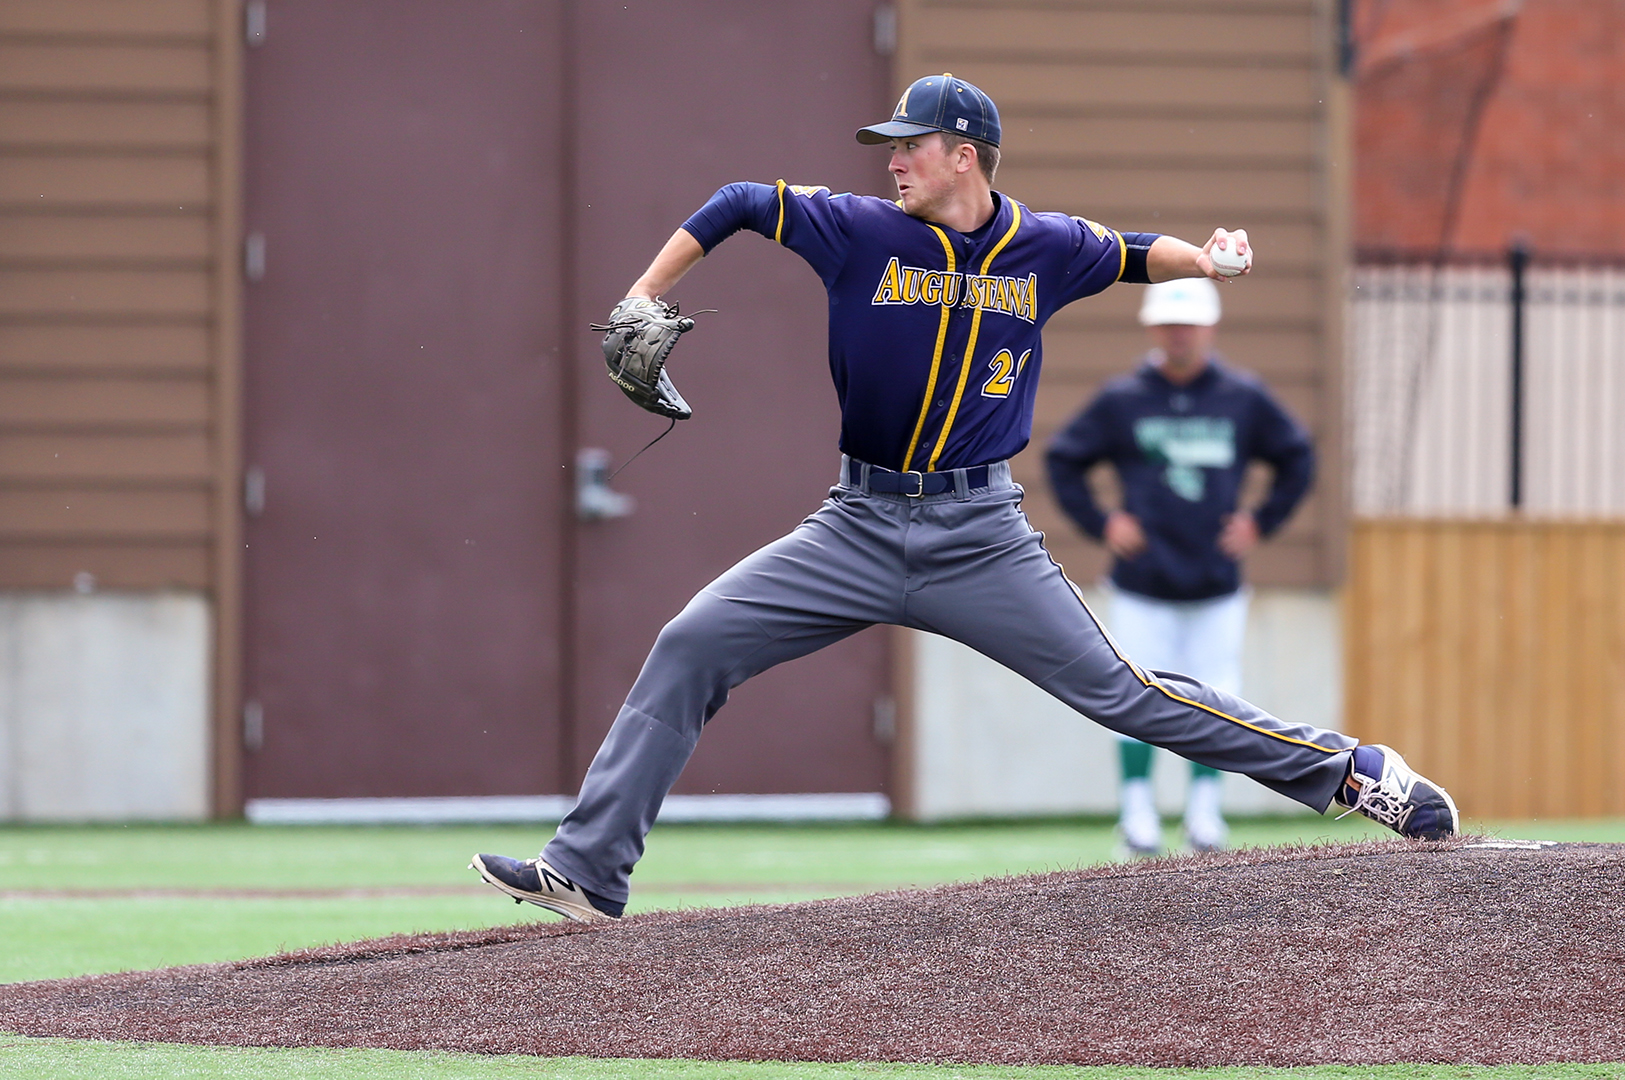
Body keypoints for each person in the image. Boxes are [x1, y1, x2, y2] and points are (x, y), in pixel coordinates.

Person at [472, 74, 1457, 923]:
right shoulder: (856, 230)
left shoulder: (1044, 246)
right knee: (692, 643)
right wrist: (646, 292)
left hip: (979, 535)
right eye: (891, 147)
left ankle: (1357, 774)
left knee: (1125, 692)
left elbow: (1127, 251)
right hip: (855, 525)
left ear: (965, 156)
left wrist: (1206, 262)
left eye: (910, 147)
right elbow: (737, 201)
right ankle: (590, 873)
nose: (892, 162)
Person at [1046, 278, 1314, 856]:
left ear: (1209, 328)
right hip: (1143, 581)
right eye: (1169, 325)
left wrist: (1260, 523)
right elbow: (1063, 459)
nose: (1179, 335)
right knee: (1134, 690)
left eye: (1188, 324)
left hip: (1215, 581)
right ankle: (1137, 811)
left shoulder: (1243, 397)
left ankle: (1204, 812)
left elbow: (1298, 457)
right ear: (1152, 329)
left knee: (1217, 692)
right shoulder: (1122, 399)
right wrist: (1104, 525)